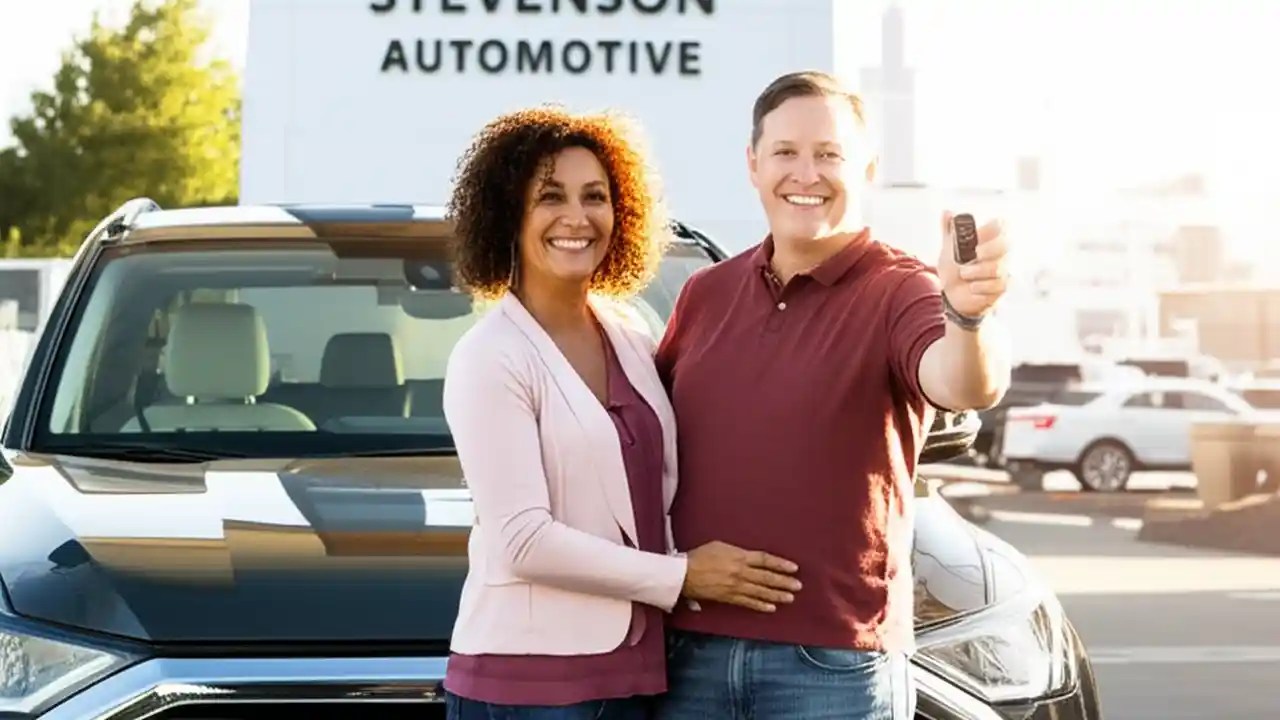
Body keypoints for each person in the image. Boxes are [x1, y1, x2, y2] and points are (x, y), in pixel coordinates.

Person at [653, 71, 1014, 719]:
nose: (806, 173)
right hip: (692, 652)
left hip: (833, 664)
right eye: (786, 153)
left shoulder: (901, 288)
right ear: (753, 164)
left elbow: (962, 383)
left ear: (866, 166)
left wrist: (967, 316)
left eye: (829, 154)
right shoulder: (704, 294)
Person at [440, 106, 803, 720]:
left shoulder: (630, 333)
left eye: (596, 196)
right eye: (549, 197)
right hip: (531, 687)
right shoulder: (490, 355)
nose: (577, 218)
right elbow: (523, 541)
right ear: (508, 213)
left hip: (637, 674)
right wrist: (682, 576)